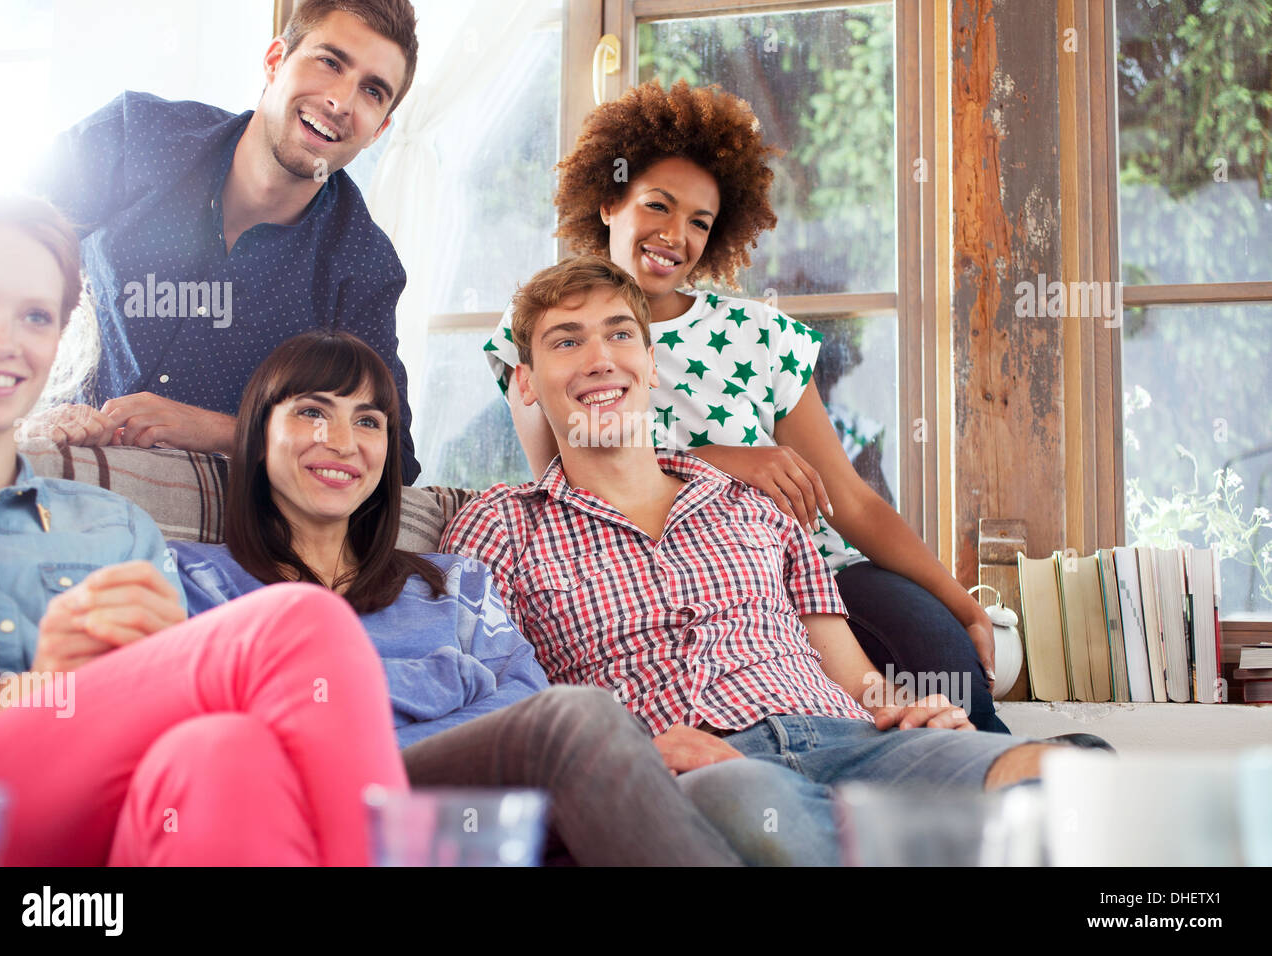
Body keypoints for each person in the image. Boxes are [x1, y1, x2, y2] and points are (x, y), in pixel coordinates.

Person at [448, 256, 1060, 865]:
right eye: (566, 341)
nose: (599, 358)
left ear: (651, 361)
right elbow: (488, 705)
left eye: (618, 334)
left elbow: (853, 676)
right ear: (525, 381)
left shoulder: (754, 506)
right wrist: (627, 753)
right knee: (748, 802)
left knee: (1060, 774)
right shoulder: (501, 525)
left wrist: (907, 708)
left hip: (853, 742)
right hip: (702, 767)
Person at [482, 80, 1005, 731]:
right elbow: (567, 484)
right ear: (610, 200)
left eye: (700, 222)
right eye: (658, 205)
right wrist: (723, 460)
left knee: (949, 682)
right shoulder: (542, 328)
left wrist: (960, 604)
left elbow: (852, 499)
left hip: (819, 576)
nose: (676, 234)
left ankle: (1003, 801)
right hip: (675, 586)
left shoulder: (761, 335)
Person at [171, 329, 745, 866]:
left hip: (475, 824)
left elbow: (522, 708)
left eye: (369, 422)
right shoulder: (190, 579)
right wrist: (452, 681)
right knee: (581, 717)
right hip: (318, 816)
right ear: (257, 430)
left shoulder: (455, 583)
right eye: (312, 412)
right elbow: (202, 731)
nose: (343, 443)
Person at [0, 193, 408, 866]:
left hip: (86, 849)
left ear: (59, 338)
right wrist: (35, 690)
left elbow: (162, 726)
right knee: (298, 624)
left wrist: (126, 681)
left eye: (33, 315)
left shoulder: (116, 527)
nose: (0, 340)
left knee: (224, 753)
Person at [31, 0, 423, 481]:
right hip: (48, 469)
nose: (341, 101)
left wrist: (223, 431)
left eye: (372, 91)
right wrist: (30, 406)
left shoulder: (363, 265)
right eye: (330, 62)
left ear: (378, 130)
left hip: (212, 533)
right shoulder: (136, 135)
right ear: (276, 60)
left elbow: (391, 456)